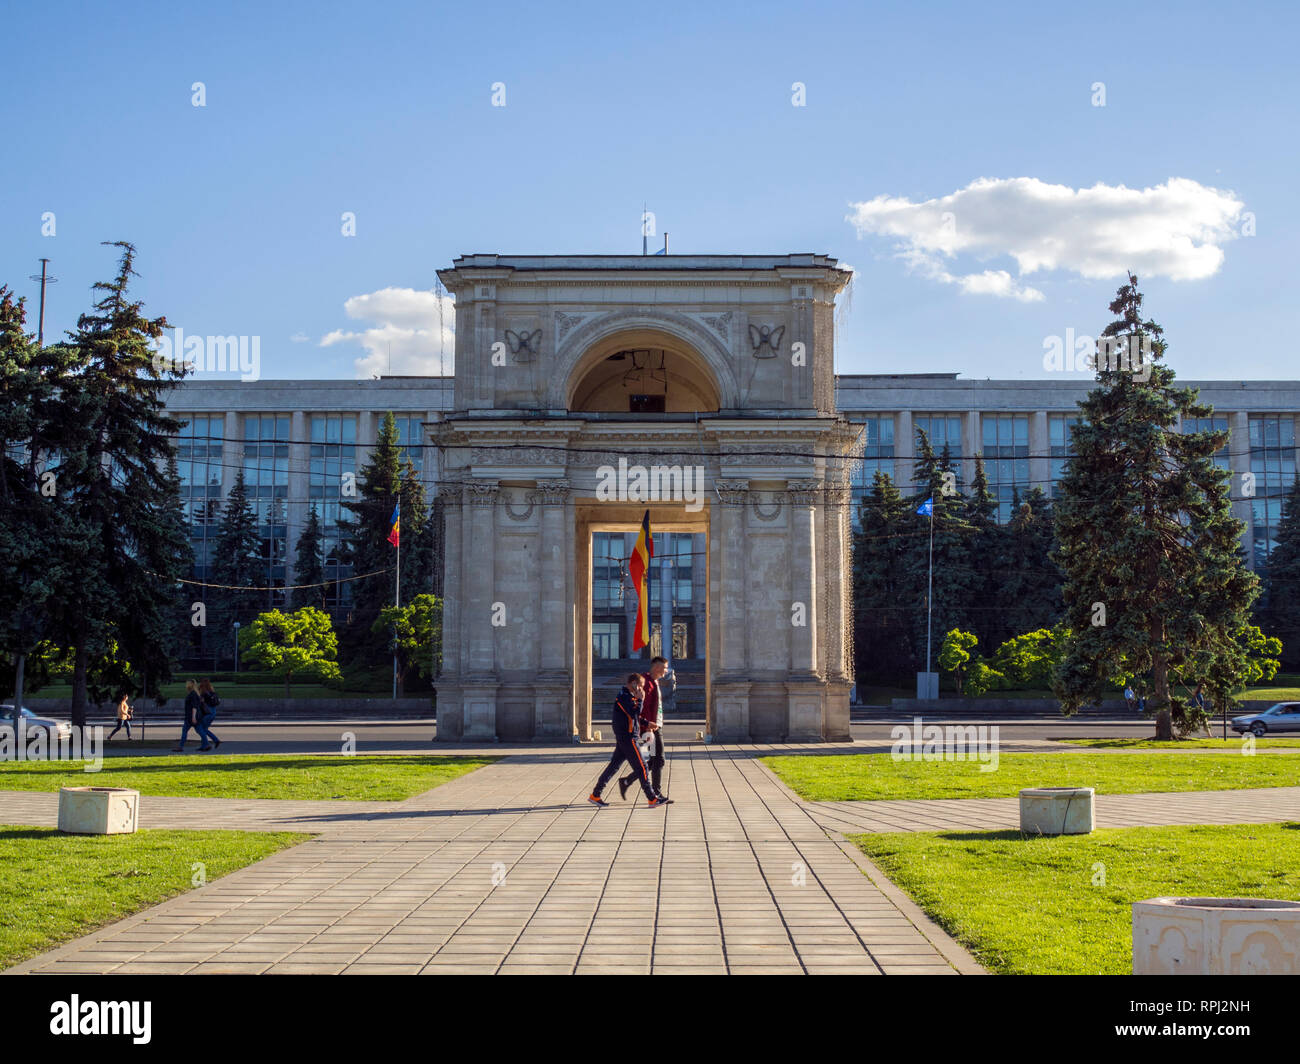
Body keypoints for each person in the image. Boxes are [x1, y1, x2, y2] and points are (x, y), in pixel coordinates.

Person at [588, 673, 670, 808]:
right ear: (633, 684)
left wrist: (646, 723)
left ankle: (595, 794)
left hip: (626, 737)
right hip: (628, 737)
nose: (642, 690)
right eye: (641, 686)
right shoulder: (624, 696)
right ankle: (652, 798)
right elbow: (633, 713)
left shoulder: (628, 696)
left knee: (613, 767)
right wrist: (641, 700)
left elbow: (633, 717)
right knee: (642, 767)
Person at [619, 656, 669, 801]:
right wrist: (646, 725)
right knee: (659, 759)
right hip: (649, 728)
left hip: (654, 726)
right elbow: (640, 706)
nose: (666, 670)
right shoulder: (646, 682)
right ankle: (656, 793)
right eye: (665, 667)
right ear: (656, 667)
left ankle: (627, 781)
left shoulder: (654, 681)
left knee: (654, 761)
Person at [173, 680, 204, 752]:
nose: (186, 685)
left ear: (189, 685)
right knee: (200, 731)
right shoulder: (195, 693)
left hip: (190, 717)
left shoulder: (193, 694)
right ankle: (206, 744)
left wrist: (193, 717)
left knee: (185, 731)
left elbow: (194, 707)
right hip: (192, 716)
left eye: (187, 684)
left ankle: (180, 747)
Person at [197, 678, 222, 751]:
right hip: (213, 712)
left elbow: (200, 702)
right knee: (204, 729)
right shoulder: (212, 691)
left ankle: (214, 741)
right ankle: (204, 745)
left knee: (201, 729)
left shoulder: (204, 693)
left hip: (207, 712)